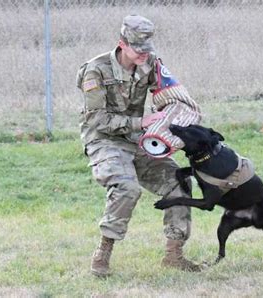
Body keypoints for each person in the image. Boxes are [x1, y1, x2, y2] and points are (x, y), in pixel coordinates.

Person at [76, 15, 203, 277]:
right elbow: (96, 119)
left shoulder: (150, 63)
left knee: (178, 182)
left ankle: (174, 255)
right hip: (104, 140)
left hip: (137, 138)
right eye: (138, 49)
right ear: (122, 43)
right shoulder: (96, 70)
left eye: (148, 49)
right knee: (126, 187)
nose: (144, 54)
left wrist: (176, 115)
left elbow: (170, 95)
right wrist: (142, 121)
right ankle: (103, 254)